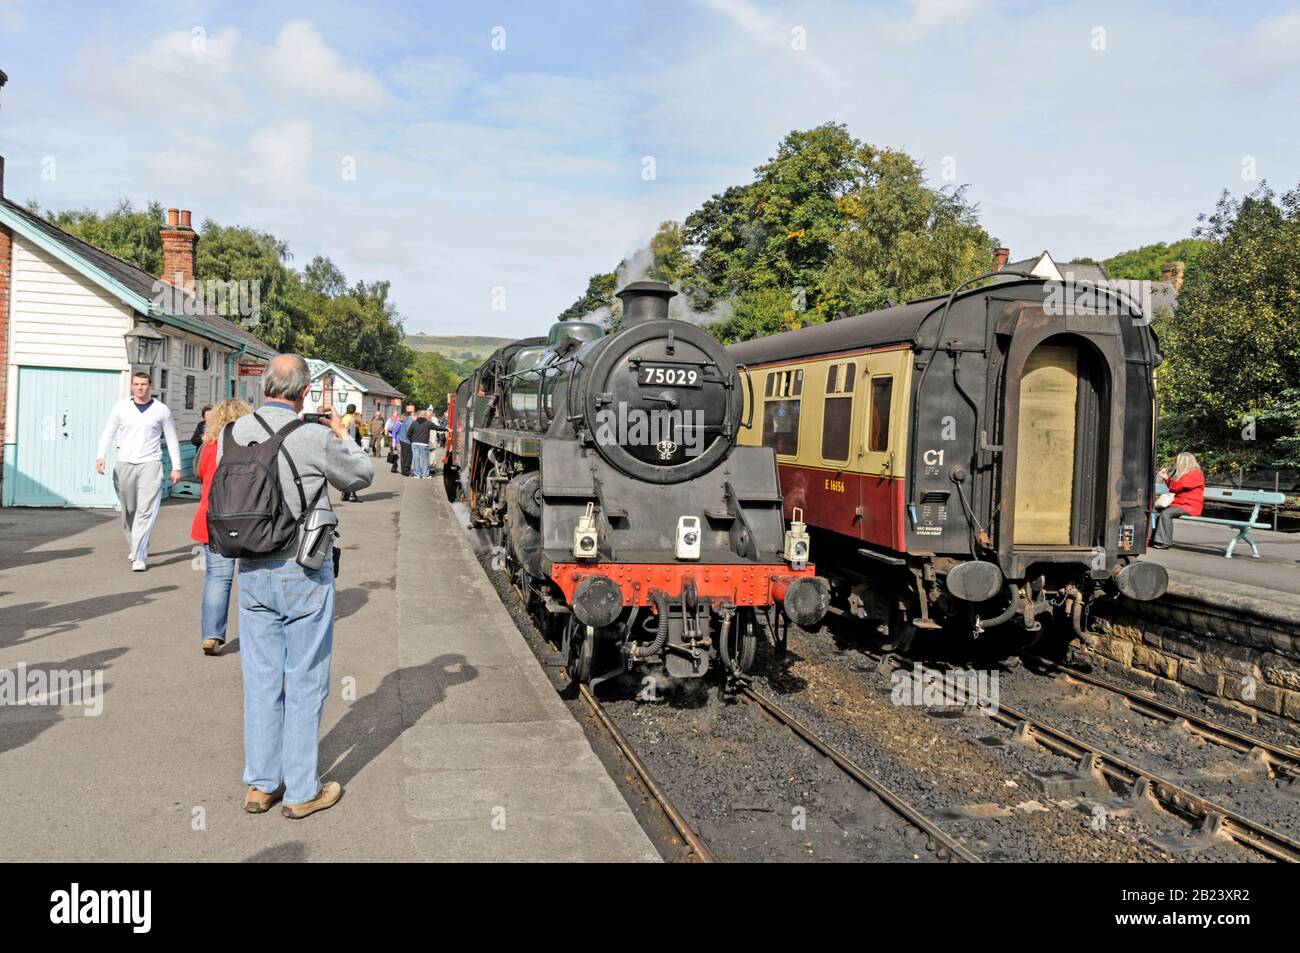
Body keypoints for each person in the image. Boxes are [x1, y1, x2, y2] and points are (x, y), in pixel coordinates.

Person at [225, 354, 374, 819]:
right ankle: (301, 790)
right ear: (304, 393)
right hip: (302, 570)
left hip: (249, 569)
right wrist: (343, 435)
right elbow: (361, 475)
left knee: (262, 678)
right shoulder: (311, 435)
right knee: (305, 679)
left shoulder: (235, 432)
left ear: (264, 387)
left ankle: (262, 784)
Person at [96, 370, 182, 572]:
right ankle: (136, 544)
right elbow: (108, 433)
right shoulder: (121, 408)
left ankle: (140, 556)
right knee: (129, 510)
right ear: (132, 386)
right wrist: (100, 456)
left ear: (150, 386)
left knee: (145, 510)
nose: (140, 388)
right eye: (136, 384)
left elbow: (171, 438)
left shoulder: (161, 410)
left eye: (143, 384)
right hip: (125, 463)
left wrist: (176, 466)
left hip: (150, 464)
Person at [190, 398, 252, 656]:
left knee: (218, 577)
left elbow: (199, 475)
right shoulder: (251, 446)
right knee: (251, 575)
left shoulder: (208, 446)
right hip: (248, 517)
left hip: (212, 517)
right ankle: (255, 632)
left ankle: (211, 634)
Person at [1152, 452, 1204, 549]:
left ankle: (1165, 542)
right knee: (1155, 511)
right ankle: (1153, 538)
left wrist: (1168, 479)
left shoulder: (1195, 474)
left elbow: (1176, 487)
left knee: (1166, 513)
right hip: (1180, 504)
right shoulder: (1188, 474)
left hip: (1190, 506)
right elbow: (1175, 487)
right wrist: (1166, 478)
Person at [341, 404, 363, 503]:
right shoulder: (352, 419)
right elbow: (353, 436)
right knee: (354, 470)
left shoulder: (343, 418)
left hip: (342, 446)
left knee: (345, 471)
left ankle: (344, 493)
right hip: (350, 446)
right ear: (354, 411)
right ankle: (352, 495)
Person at [408, 411, 433, 479]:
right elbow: (437, 427)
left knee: (416, 458)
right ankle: (425, 475)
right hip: (424, 443)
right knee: (425, 459)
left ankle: (417, 474)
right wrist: (447, 429)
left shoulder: (414, 423)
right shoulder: (428, 423)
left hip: (415, 443)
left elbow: (408, 433)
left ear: (419, 415)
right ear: (425, 416)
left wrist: (412, 440)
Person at [399, 403, 416, 477]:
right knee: (408, 456)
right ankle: (406, 471)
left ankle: (404, 470)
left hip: (403, 439)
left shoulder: (409, 418)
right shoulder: (410, 420)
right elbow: (409, 432)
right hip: (406, 440)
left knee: (404, 456)